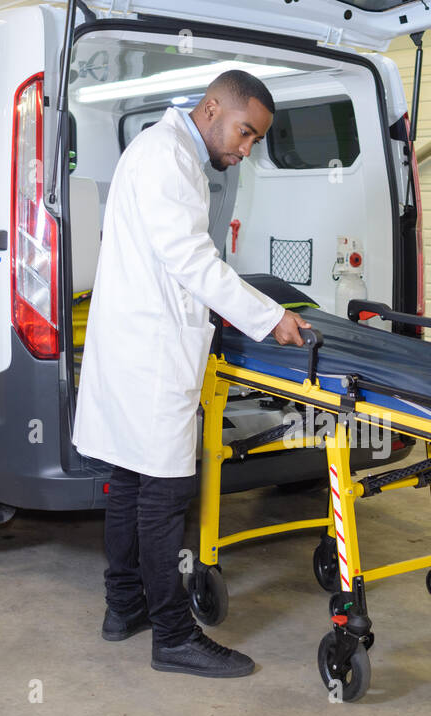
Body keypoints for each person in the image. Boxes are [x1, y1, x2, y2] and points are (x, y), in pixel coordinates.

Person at [73, 70, 311, 679]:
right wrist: (271, 317)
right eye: (245, 132)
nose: (246, 148)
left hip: (134, 346)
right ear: (211, 109)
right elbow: (191, 260)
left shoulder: (159, 150)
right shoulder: (170, 160)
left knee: (129, 481)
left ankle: (123, 608)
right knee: (163, 494)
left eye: (256, 139)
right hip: (150, 354)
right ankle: (173, 636)